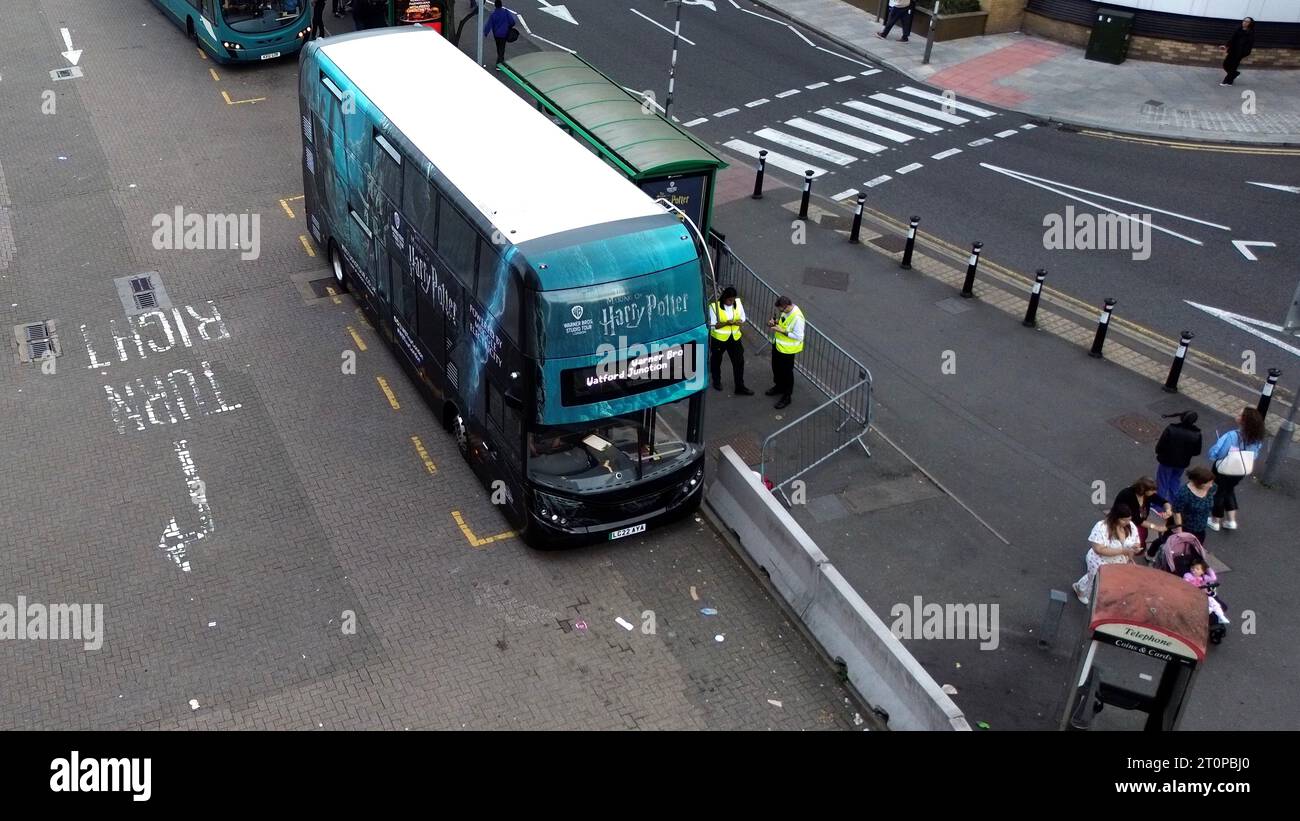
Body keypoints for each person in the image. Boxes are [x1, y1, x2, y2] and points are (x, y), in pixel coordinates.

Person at [1207, 406, 1265, 532]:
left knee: (1218, 492)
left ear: (1243, 421)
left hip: (1224, 469)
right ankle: (1231, 520)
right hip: (1241, 470)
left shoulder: (1232, 436)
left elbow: (1219, 452)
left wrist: (1212, 456)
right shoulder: (1256, 438)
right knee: (1229, 490)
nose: (1237, 416)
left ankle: (1215, 520)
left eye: (1240, 415)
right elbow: (1254, 454)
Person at [1072, 503, 1143, 605]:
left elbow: (1136, 541)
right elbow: (1098, 549)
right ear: (1116, 517)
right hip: (1099, 562)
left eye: (1129, 519)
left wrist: (1135, 547)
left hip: (1118, 564)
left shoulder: (1130, 526)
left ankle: (1082, 589)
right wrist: (1123, 551)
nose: (1127, 522)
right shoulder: (1101, 527)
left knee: (1100, 582)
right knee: (1095, 582)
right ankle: (1083, 593)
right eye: (1124, 520)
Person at [708, 287, 754, 397]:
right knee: (716, 360)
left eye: (733, 300)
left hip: (734, 338)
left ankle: (740, 386)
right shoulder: (714, 307)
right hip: (719, 339)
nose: (731, 302)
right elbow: (714, 326)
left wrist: (739, 322)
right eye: (729, 300)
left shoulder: (737, 303)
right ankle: (716, 381)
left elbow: (743, 317)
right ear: (724, 298)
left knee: (739, 361)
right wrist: (727, 323)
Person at [1161, 465, 1217, 553]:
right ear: (1199, 483)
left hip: (1200, 527)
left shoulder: (1212, 488)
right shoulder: (1184, 493)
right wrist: (1180, 531)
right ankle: (1152, 553)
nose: (1211, 485)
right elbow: (1176, 512)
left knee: (1195, 550)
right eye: (1209, 483)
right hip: (1186, 526)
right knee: (1169, 544)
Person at [766, 295, 805, 410]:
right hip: (778, 346)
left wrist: (781, 331)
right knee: (776, 368)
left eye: (781, 309)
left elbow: (799, 336)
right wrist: (776, 322)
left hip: (788, 351)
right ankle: (779, 387)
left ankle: (787, 396)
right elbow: (784, 323)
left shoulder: (797, 317)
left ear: (786, 306)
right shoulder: (786, 311)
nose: (780, 311)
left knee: (787, 374)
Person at [1154, 410, 1202, 503]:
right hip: (1182, 463)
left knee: (1162, 481)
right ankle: (1175, 502)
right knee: (1175, 480)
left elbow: (1161, 445)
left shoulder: (1171, 429)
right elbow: (1196, 451)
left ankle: (1159, 504)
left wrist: (1158, 452)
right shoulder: (1196, 434)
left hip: (1166, 460)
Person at [1113, 476, 1169, 554]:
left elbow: (1162, 501)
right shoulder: (1128, 495)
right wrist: (1156, 527)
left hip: (1138, 521)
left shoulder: (1148, 494)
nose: (1155, 492)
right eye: (1152, 490)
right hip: (1125, 522)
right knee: (1136, 539)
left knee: (1142, 537)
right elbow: (1137, 520)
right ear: (1143, 490)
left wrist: (1168, 510)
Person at [1220, 18, 1255, 86]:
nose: (1245, 22)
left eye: (1247, 22)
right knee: (1226, 64)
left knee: (1233, 66)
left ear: (1250, 24)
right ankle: (1235, 74)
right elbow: (1232, 39)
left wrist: (1244, 53)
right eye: (1244, 21)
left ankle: (1227, 81)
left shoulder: (1250, 33)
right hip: (1232, 50)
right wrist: (1226, 46)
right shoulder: (1238, 29)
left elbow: (1249, 45)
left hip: (1240, 52)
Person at [483, 0, 518, 66]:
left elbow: (489, 24)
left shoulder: (493, 14)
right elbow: (512, 21)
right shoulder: (505, 12)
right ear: (501, 5)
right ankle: (499, 64)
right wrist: (509, 26)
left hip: (496, 35)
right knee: (502, 48)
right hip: (504, 34)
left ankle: (500, 61)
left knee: (499, 47)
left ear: (495, 5)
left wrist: (486, 32)